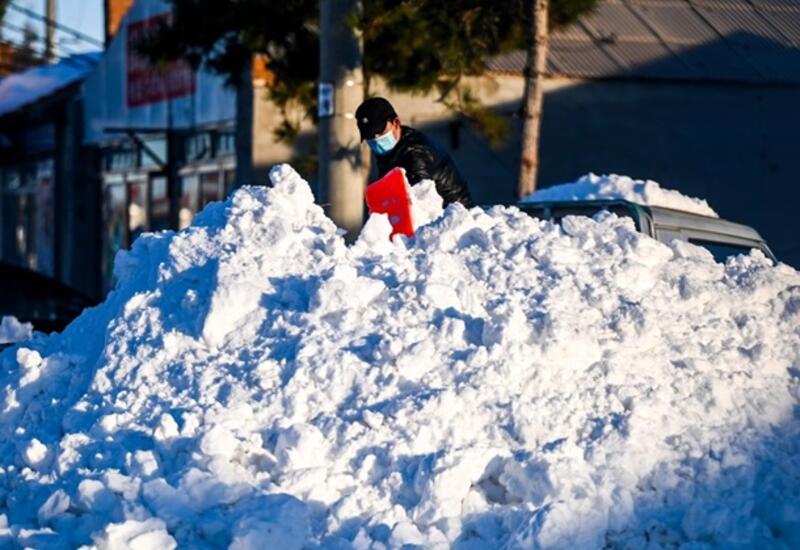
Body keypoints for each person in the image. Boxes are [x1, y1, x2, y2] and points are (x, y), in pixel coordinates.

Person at [355, 97, 473, 207]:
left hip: (451, 218)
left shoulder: (415, 153)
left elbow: (419, 198)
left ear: (396, 122)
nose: (376, 139)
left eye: (380, 132)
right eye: (370, 136)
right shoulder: (391, 152)